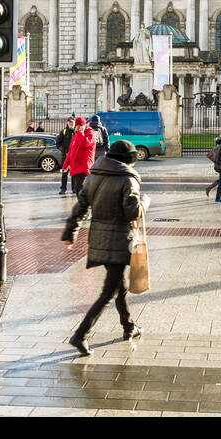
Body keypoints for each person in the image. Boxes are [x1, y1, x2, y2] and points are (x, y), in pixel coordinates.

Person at [63, 140, 149, 355]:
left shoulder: (93, 176)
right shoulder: (128, 180)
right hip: (118, 240)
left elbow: (80, 206)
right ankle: (80, 335)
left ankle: (129, 327)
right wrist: (145, 202)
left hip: (99, 238)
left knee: (118, 286)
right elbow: (132, 212)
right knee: (108, 292)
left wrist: (70, 231)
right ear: (128, 161)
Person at [65, 117, 97, 197]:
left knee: (81, 191)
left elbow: (84, 143)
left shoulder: (90, 134)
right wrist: (66, 164)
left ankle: (83, 207)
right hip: (76, 167)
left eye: (80, 126)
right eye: (77, 126)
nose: (78, 128)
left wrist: (80, 132)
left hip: (84, 167)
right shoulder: (76, 135)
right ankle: (83, 206)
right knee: (78, 190)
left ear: (85, 125)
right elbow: (71, 151)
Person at [55, 118, 77, 195]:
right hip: (66, 156)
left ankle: (74, 189)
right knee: (65, 173)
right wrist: (63, 151)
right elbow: (58, 144)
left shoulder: (77, 132)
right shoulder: (64, 131)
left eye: (72, 123)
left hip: (75, 156)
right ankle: (63, 189)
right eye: (70, 123)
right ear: (67, 123)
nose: (71, 124)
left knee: (74, 173)